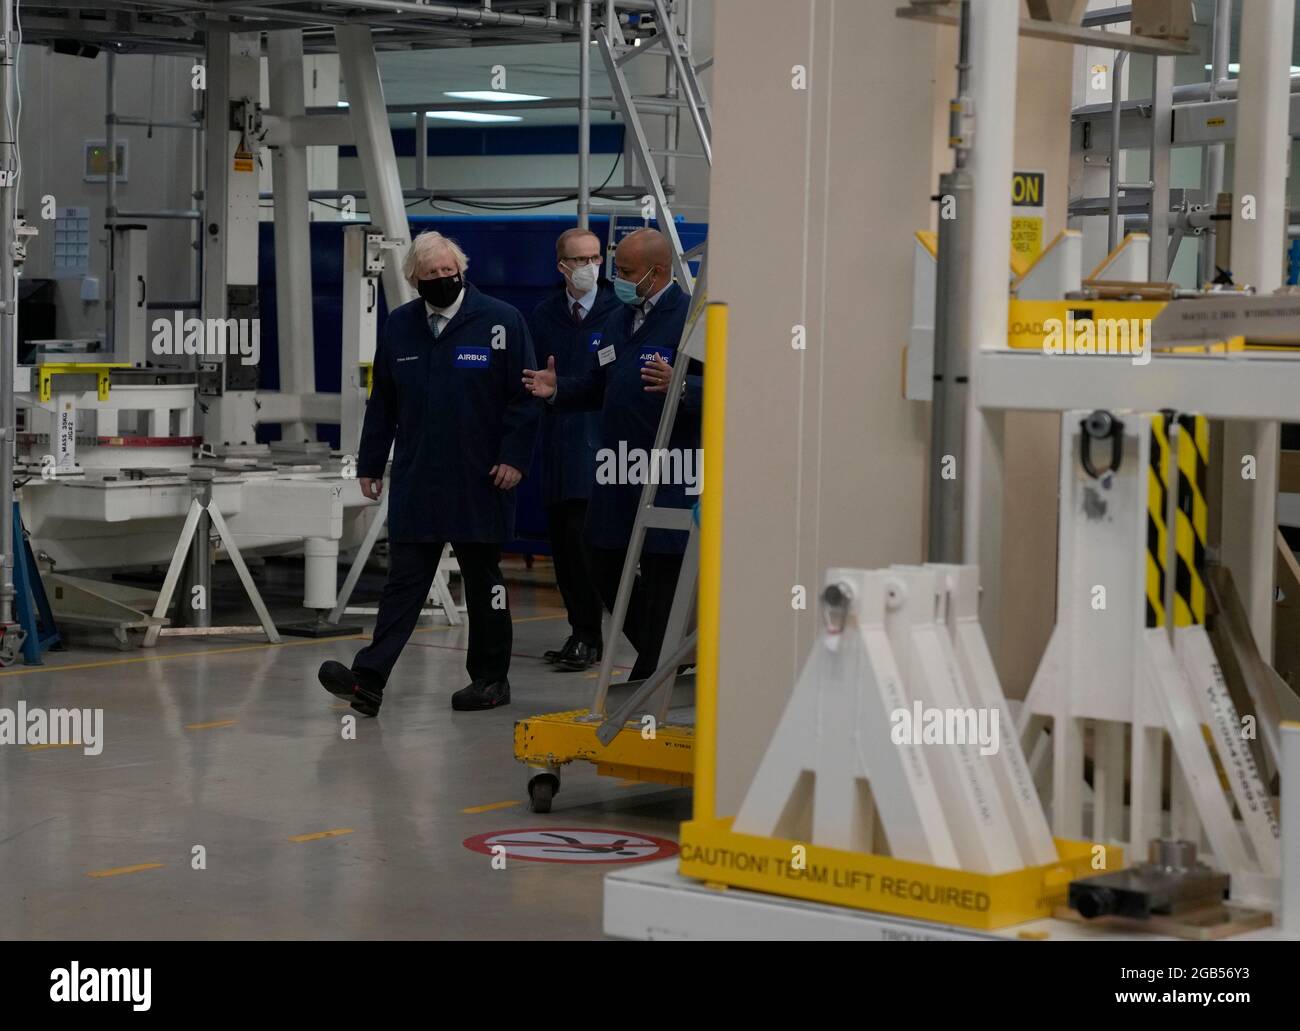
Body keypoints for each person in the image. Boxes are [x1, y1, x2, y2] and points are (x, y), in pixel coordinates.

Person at [318, 231, 539, 715]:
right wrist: (370, 463)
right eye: (431, 274)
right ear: (414, 280)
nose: (441, 279)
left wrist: (514, 457)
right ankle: (369, 680)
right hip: (420, 477)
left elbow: (526, 399)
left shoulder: (501, 321)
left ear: (462, 270)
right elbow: (384, 402)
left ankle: (489, 679)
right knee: (405, 581)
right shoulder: (401, 326)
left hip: (483, 477)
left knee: (484, 582)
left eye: (448, 271)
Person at [522, 228, 701, 682]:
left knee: (663, 562)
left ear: (657, 273)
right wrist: (558, 390)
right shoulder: (620, 320)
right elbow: (601, 387)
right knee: (599, 552)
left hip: (670, 468)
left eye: (624, 271)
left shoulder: (692, 319)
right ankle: (662, 654)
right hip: (618, 464)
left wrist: (684, 389)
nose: (615, 279)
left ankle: (652, 670)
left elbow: (735, 387)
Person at [529, 228, 622, 672]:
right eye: (580, 260)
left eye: (595, 258)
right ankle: (581, 632)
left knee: (593, 549)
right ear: (561, 265)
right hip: (558, 447)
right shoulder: (544, 315)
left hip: (605, 451)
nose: (590, 267)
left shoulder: (618, 311)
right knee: (564, 549)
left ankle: (596, 634)